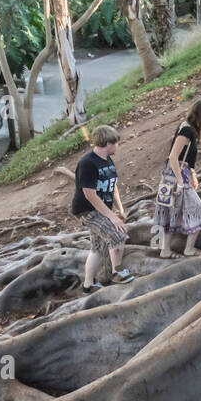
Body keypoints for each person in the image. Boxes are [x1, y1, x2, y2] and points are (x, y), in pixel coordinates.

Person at [72, 125, 134, 293]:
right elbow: (89, 195)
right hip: (87, 210)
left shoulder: (107, 160)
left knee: (98, 248)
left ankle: (88, 285)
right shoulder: (87, 163)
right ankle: (117, 272)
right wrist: (111, 217)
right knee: (118, 235)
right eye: (116, 143)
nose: (118, 146)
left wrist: (119, 209)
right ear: (108, 143)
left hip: (102, 209)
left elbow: (113, 187)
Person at [153, 98, 201, 258]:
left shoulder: (186, 127)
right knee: (200, 212)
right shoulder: (186, 130)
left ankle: (165, 250)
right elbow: (173, 157)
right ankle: (189, 249)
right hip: (176, 178)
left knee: (169, 210)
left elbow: (185, 158)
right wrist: (181, 181)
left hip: (171, 177)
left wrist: (193, 175)